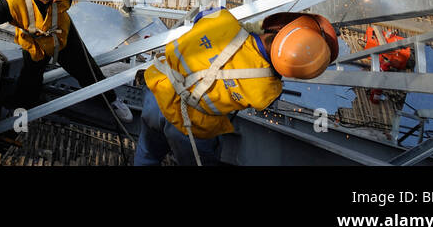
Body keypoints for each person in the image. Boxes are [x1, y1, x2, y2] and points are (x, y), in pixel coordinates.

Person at [133, 9, 337, 166]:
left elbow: (204, 17)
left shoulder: (224, 19)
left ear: (277, 28)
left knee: (148, 150)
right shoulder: (267, 90)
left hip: (157, 91)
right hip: (189, 128)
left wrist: (237, 31)